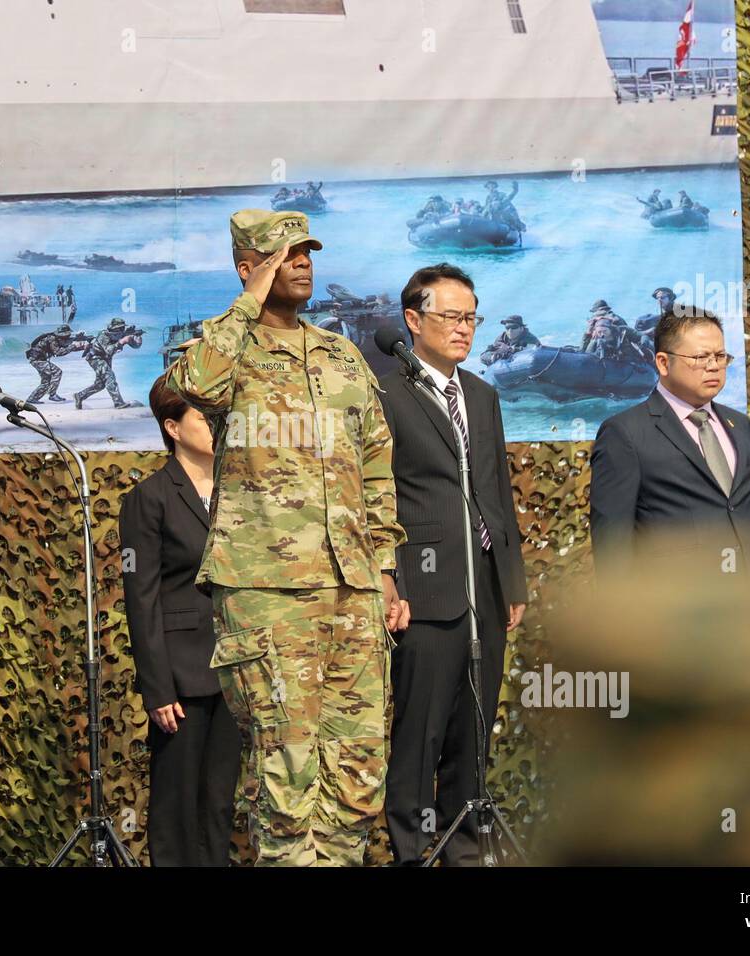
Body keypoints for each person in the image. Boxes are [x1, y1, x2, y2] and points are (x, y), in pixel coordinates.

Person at [164, 209, 408, 866]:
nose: (300, 262)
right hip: (266, 592)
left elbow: (377, 457)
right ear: (248, 268)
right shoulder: (225, 348)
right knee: (288, 780)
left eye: (307, 252)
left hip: (352, 592)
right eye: (282, 254)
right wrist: (246, 302)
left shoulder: (340, 353)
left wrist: (384, 567)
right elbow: (193, 386)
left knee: (357, 778)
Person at [377, 263, 528, 866]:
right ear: (413, 321)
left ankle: (464, 851)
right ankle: (412, 851)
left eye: (471, 317)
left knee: (473, 734)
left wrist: (510, 580)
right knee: (420, 737)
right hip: (425, 591)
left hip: (485, 592)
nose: (464, 329)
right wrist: (392, 581)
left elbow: (497, 490)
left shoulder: (484, 395)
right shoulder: (385, 394)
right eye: (452, 317)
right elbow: (375, 497)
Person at [119, 373, 242, 866]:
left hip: (238, 669)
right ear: (172, 427)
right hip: (181, 678)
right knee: (176, 807)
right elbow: (140, 598)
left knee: (219, 803)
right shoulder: (150, 497)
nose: (217, 425)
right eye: (203, 417)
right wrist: (158, 688)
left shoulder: (243, 491)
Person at [590, 308, 750, 578]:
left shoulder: (739, 426)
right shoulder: (625, 433)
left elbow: (749, 516)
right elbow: (612, 544)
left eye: (720, 356)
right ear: (662, 362)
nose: (713, 365)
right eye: (700, 357)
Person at [74, 317, 143, 410]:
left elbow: (135, 346)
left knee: (100, 384)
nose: (122, 331)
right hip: (95, 357)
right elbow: (109, 350)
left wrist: (137, 339)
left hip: (106, 359)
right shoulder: (103, 335)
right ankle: (118, 403)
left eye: (122, 329)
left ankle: (80, 396)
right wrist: (122, 341)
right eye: (120, 329)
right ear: (115, 329)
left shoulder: (120, 334)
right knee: (109, 376)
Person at [24, 323, 83, 404]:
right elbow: (58, 352)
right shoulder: (52, 339)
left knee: (46, 381)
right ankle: (52, 395)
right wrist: (73, 346)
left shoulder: (55, 338)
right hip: (38, 360)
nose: (68, 336)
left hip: (38, 359)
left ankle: (32, 398)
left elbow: (64, 347)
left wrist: (80, 347)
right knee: (57, 372)